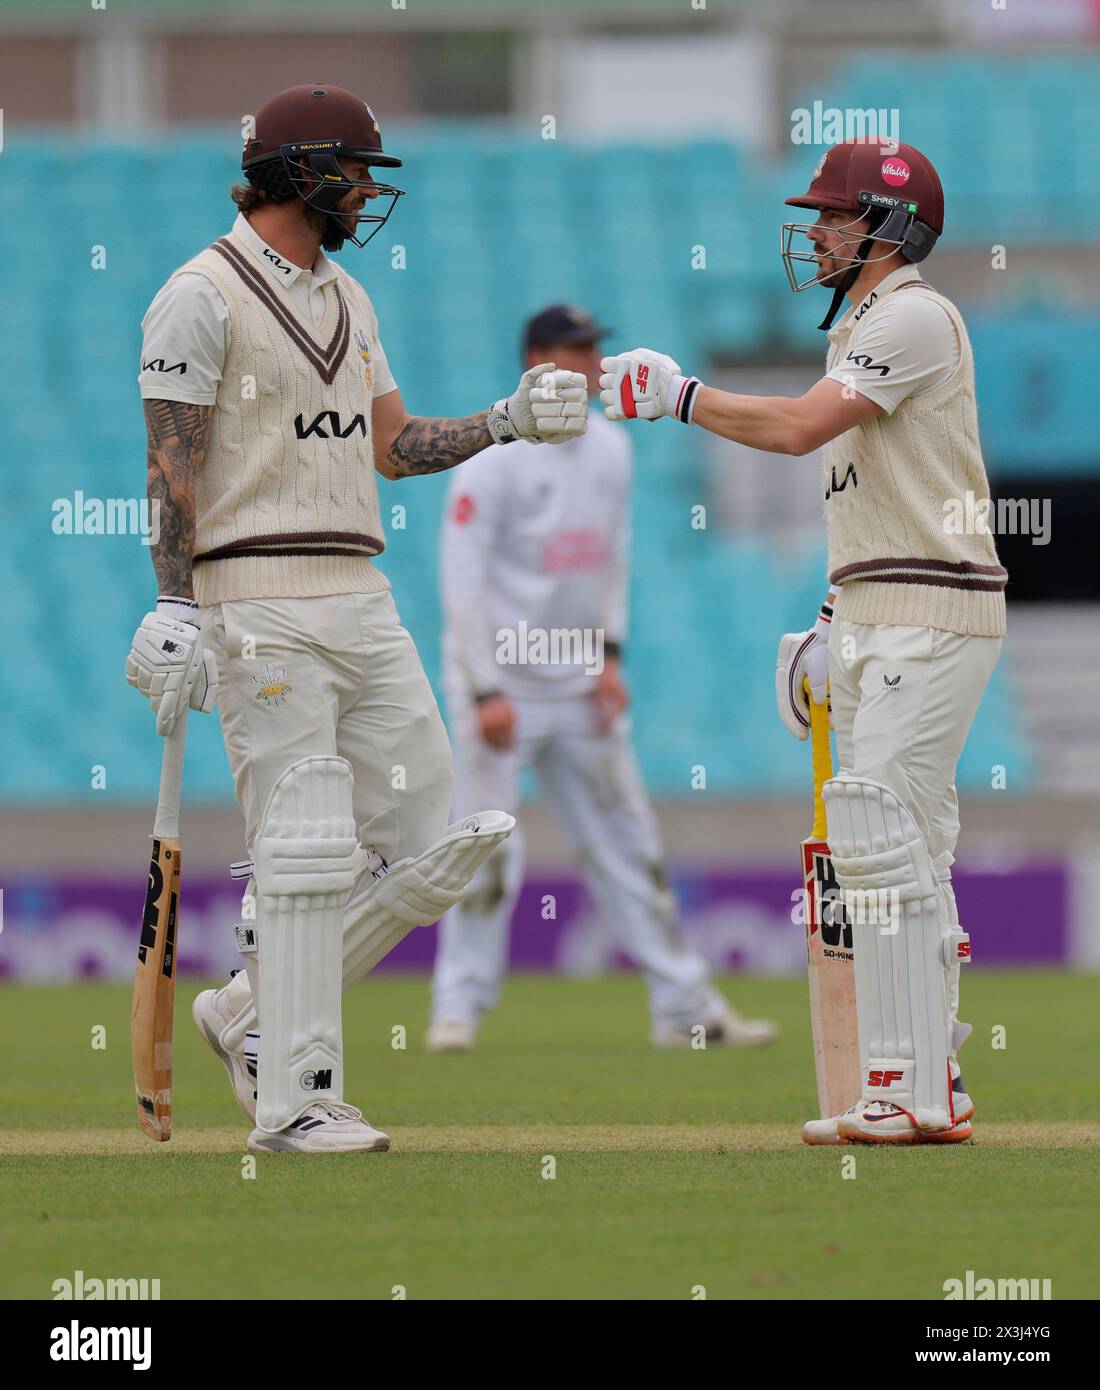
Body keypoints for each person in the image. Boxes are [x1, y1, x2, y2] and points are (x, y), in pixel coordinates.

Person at [126, 84, 586, 1154]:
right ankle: (295, 1099)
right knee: (303, 849)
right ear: (297, 172)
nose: (371, 191)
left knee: (433, 842)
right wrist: (172, 599)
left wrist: (504, 421)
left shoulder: (349, 298)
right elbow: (169, 466)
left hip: (362, 596)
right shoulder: (198, 294)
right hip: (255, 600)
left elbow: (391, 445)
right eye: (358, 170)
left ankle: (246, 1009)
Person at [599, 139, 1006, 1145]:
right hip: (878, 605)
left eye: (833, 213)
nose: (815, 230)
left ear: (888, 226)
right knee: (907, 846)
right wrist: (831, 616)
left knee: (879, 840)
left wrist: (678, 397)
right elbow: (865, 492)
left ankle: (903, 1084)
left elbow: (794, 432)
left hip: (932, 606)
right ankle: (928, 1078)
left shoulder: (910, 316)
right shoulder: (863, 323)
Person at [427, 304, 780, 1052]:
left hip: (581, 679)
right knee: (483, 850)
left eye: (594, 350)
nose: (590, 365)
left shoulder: (612, 450)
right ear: (533, 358)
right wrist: (485, 689)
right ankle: (456, 1009)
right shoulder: (492, 460)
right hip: (503, 687)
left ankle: (685, 1008)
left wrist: (610, 655)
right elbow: (462, 581)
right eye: (573, 350)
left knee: (629, 842)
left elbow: (610, 558)